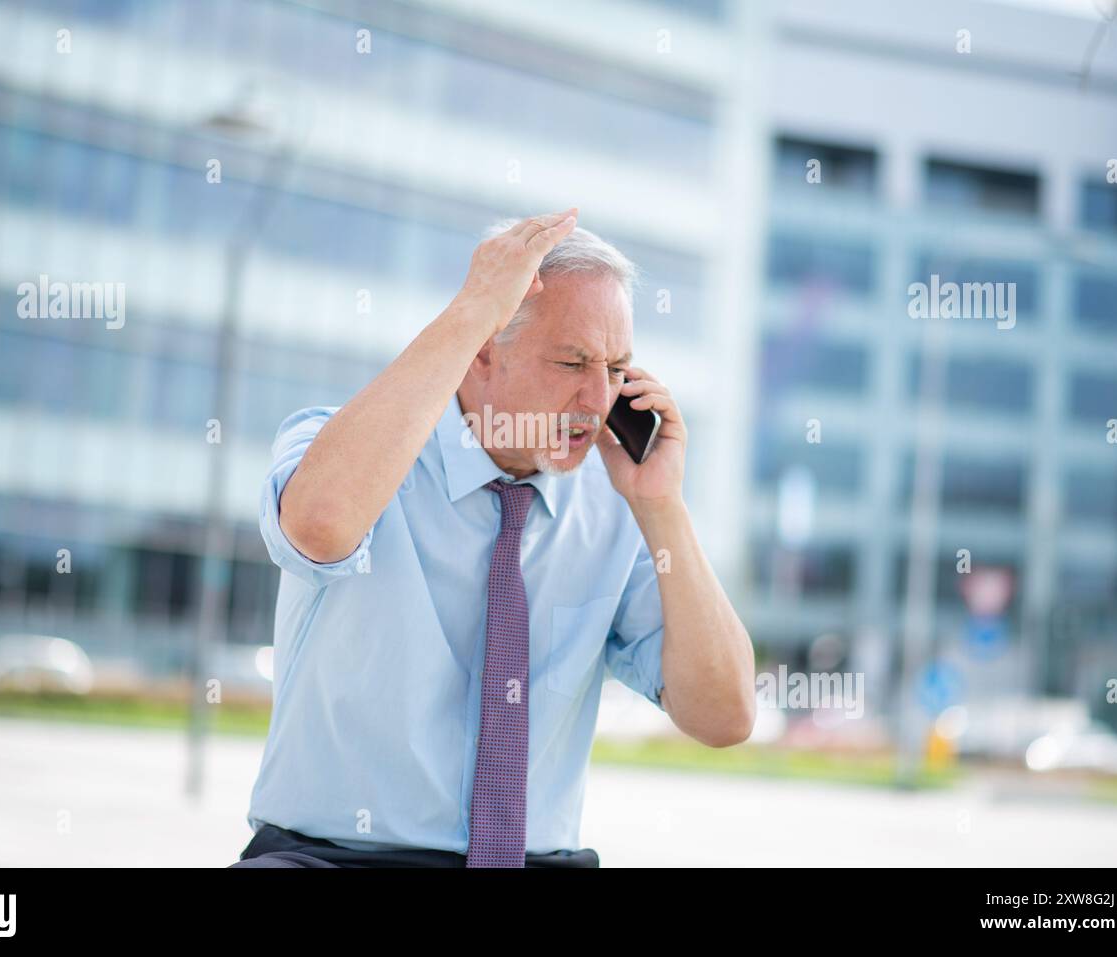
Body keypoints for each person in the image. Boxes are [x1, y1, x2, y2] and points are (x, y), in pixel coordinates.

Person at [231, 208, 756, 868]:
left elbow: (726, 715)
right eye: (572, 362)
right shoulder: (346, 449)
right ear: (481, 351)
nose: (598, 399)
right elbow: (319, 525)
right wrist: (473, 307)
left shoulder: (618, 506)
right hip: (339, 857)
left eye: (618, 368)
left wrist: (663, 506)